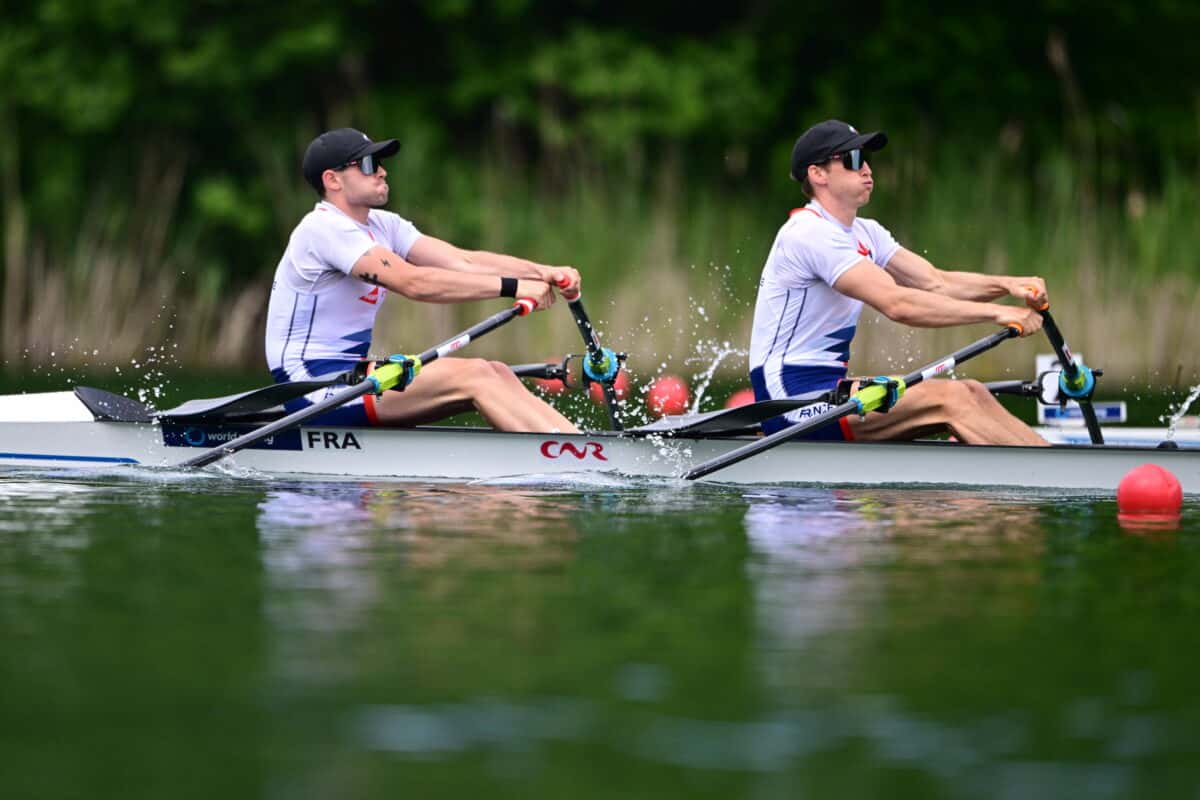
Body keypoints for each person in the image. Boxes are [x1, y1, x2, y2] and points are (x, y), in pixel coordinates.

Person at [748, 119, 1048, 446]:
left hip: (830, 387)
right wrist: (998, 314)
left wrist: (1010, 286)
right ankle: (1056, 480)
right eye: (850, 160)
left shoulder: (867, 232)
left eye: (866, 158)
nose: (865, 169)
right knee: (951, 399)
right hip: (790, 399)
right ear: (817, 174)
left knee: (971, 390)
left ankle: (1047, 465)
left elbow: (936, 282)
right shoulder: (809, 234)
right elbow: (897, 304)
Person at [265, 128, 580, 433]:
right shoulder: (322, 229)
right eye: (367, 165)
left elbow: (463, 261)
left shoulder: (383, 225)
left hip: (353, 376)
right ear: (332, 180)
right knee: (476, 376)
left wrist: (544, 273)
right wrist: (512, 287)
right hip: (312, 387)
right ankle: (576, 460)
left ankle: (579, 447)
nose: (382, 172)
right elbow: (413, 283)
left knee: (494, 370)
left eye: (380, 163)